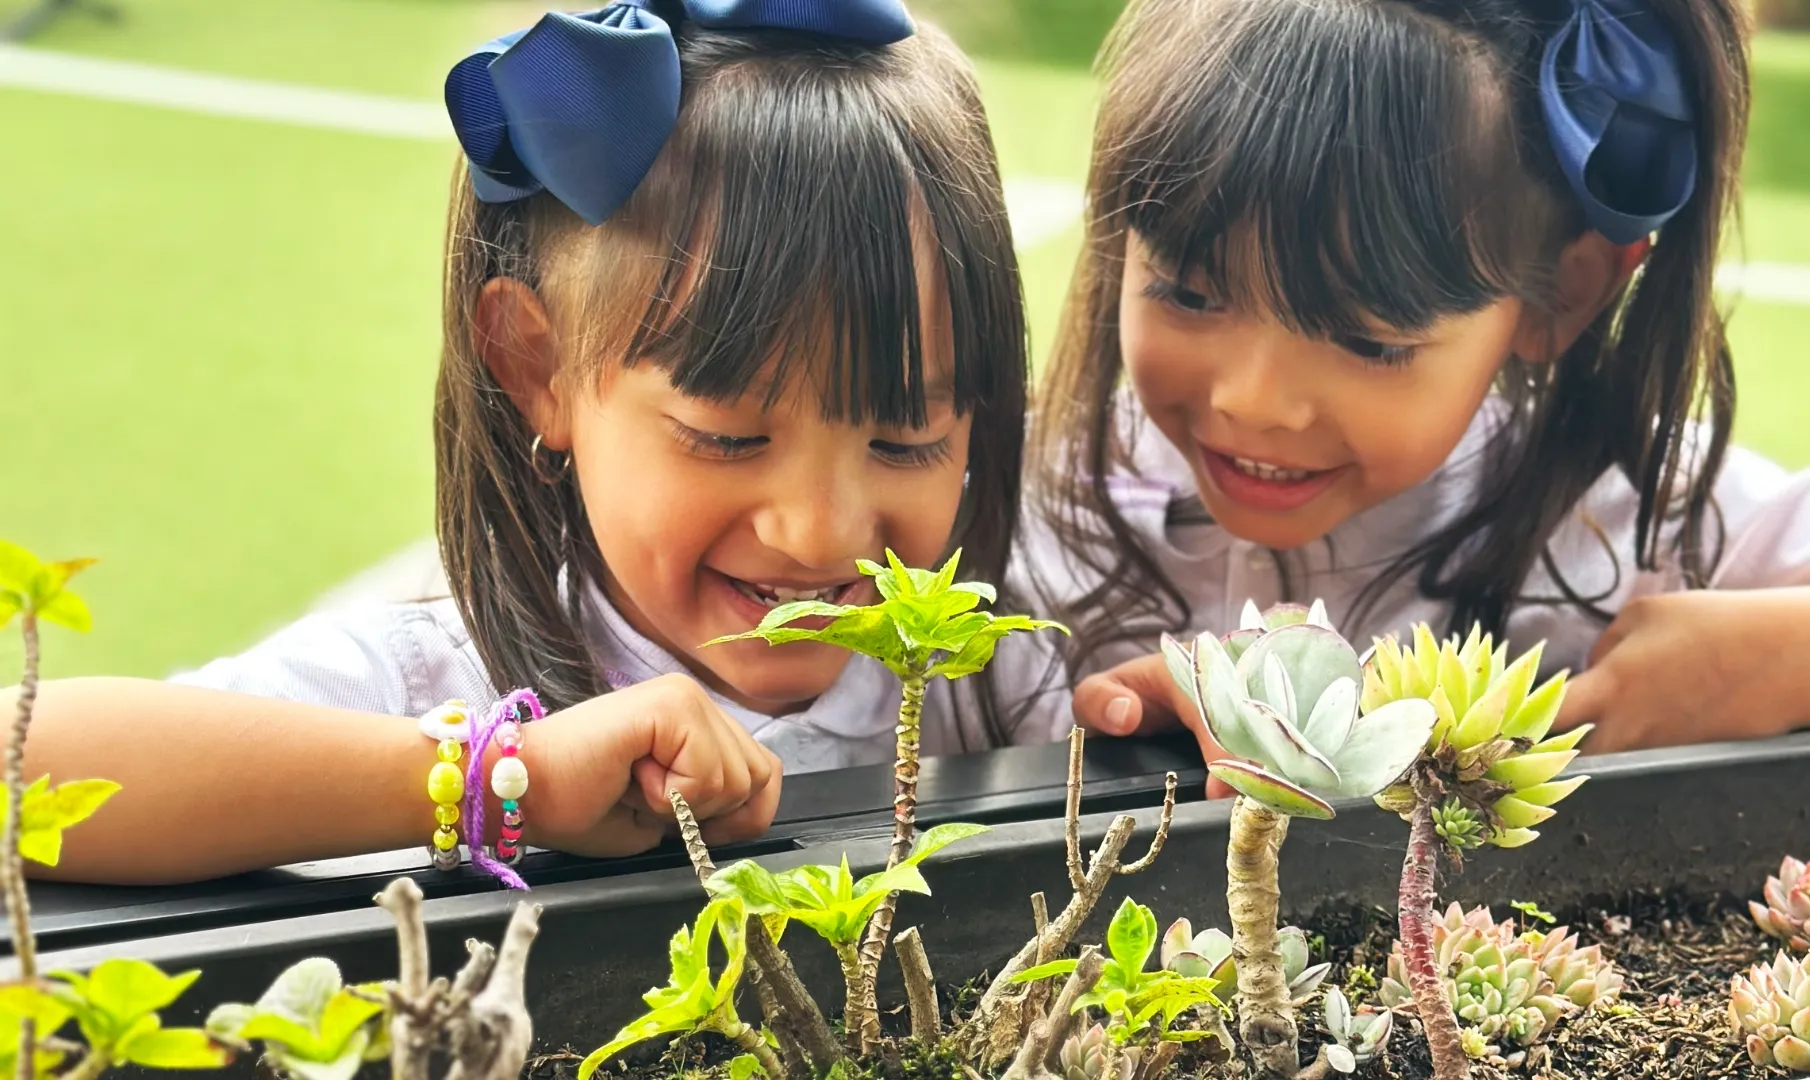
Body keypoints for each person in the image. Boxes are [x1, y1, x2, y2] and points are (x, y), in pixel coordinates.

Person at [13, 0, 1059, 885]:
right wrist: (501, 782)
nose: (819, 528)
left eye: (909, 438)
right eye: (730, 436)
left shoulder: (998, 668)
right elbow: (24, 769)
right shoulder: (441, 687)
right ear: (535, 368)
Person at [1022, 0, 1810, 783]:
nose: (1255, 402)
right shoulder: (1006, 494)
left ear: (1561, 296)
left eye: (1369, 341)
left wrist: (1809, 660)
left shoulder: (1649, 519)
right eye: (1187, 292)